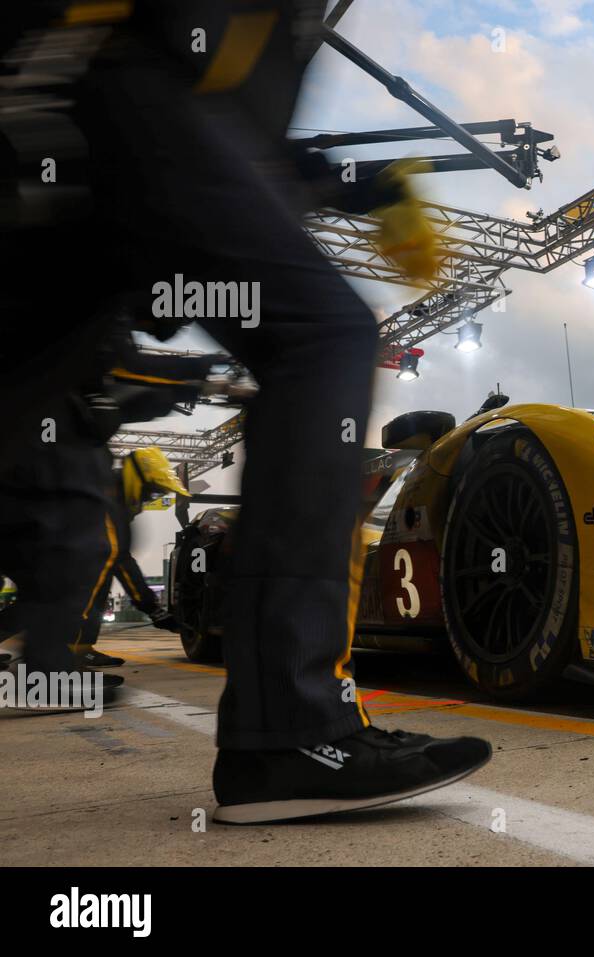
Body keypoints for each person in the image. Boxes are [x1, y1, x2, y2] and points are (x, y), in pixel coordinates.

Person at [1, 2, 491, 821]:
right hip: (99, 94)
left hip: (96, 118)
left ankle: (286, 734)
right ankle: (290, 733)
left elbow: (232, 136)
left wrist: (358, 182)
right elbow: (197, 113)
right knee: (323, 332)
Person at [72, 448, 188, 669]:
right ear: (138, 481)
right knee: (91, 578)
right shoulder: (107, 500)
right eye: (152, 493)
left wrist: (151, 608)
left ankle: (81, 650)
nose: (149, 500)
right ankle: (66, 654)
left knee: (98, 576)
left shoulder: (113, 497)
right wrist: (153, 609)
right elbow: (119, 559)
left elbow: (120, 559)